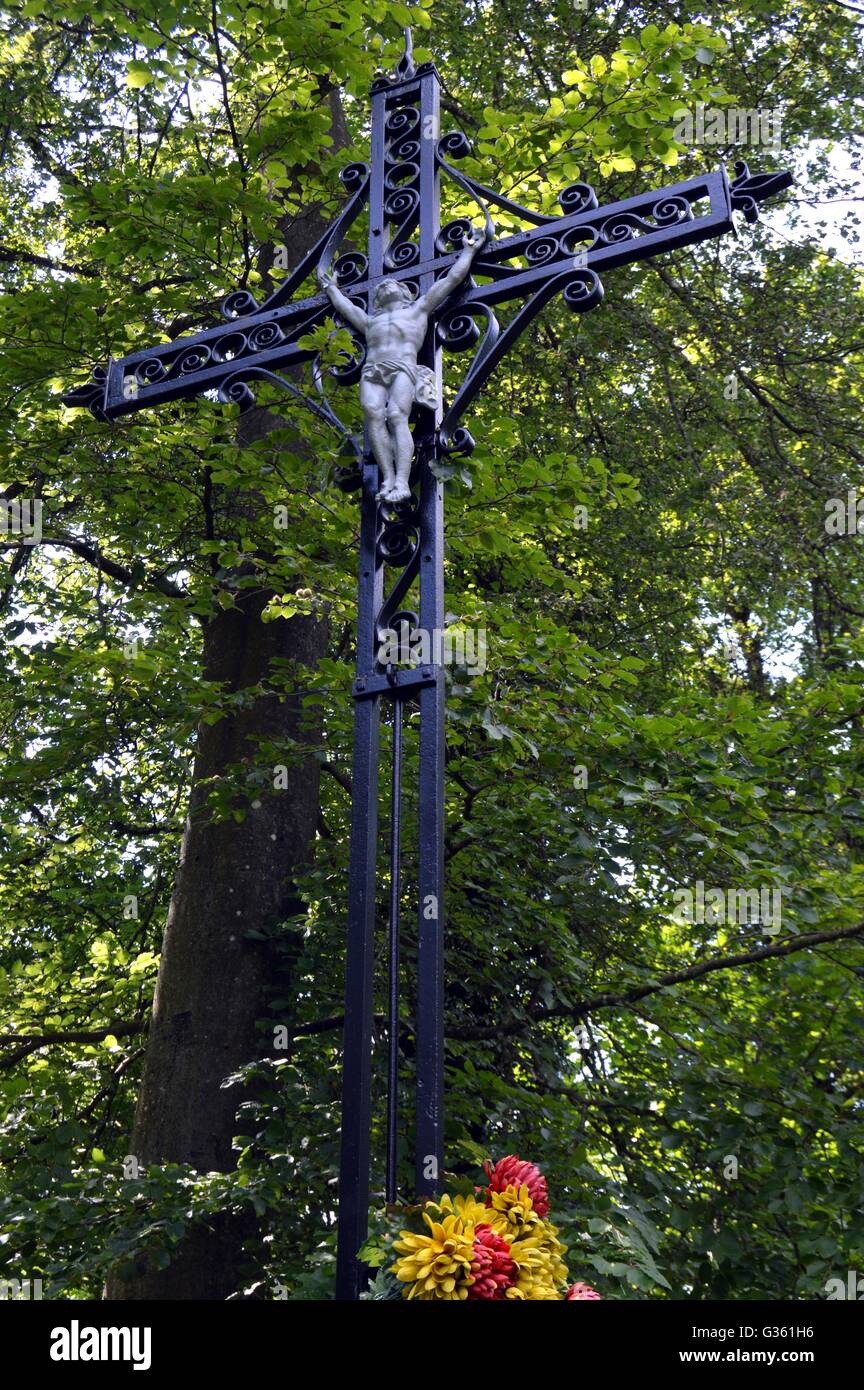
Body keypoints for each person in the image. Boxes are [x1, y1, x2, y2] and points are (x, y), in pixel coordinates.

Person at [319, 226, 488, 502]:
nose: (385, 285)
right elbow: (346, 308)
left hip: (402, 367)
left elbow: (451, 280)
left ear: (403, 293)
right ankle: (387, 479)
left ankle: (402, 482)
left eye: (391, 284)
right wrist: (331, 287)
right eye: (381, 286)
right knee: (374, 416)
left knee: (397, 417)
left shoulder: (417, 310)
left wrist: (468, 251)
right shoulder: (370, 321)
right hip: (373, 370)